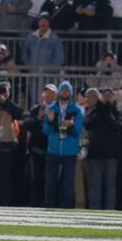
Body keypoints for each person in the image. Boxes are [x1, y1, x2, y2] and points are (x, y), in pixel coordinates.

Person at [44, 81, 83, 209]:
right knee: (51, 181)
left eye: (67, 90)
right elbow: (46, 130)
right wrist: (50, 122)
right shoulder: (51, 109)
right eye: (63, 90)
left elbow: (77, 131)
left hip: (70, 151)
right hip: (53, 150)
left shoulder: (76, 110)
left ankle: (66, 208)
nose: (65, 92)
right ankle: (50, 207)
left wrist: (69, 126)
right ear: (59, 92)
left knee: (68, 182)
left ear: (71, 93)